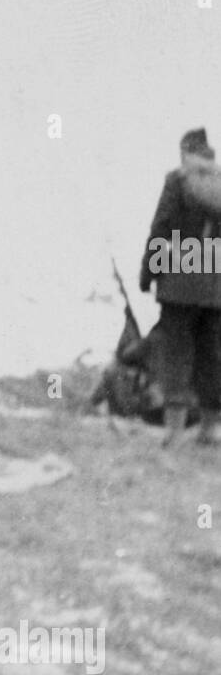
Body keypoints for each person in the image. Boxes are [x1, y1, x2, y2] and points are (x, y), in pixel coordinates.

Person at [139, 128, 221, 447]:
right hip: (215, 281)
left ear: (185, 153)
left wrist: (148, 272)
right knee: (212, 354)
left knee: (177, 353)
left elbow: (160, 227)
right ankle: (211, 429)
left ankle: (174, 430)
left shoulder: (177, 180)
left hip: (180, 278)